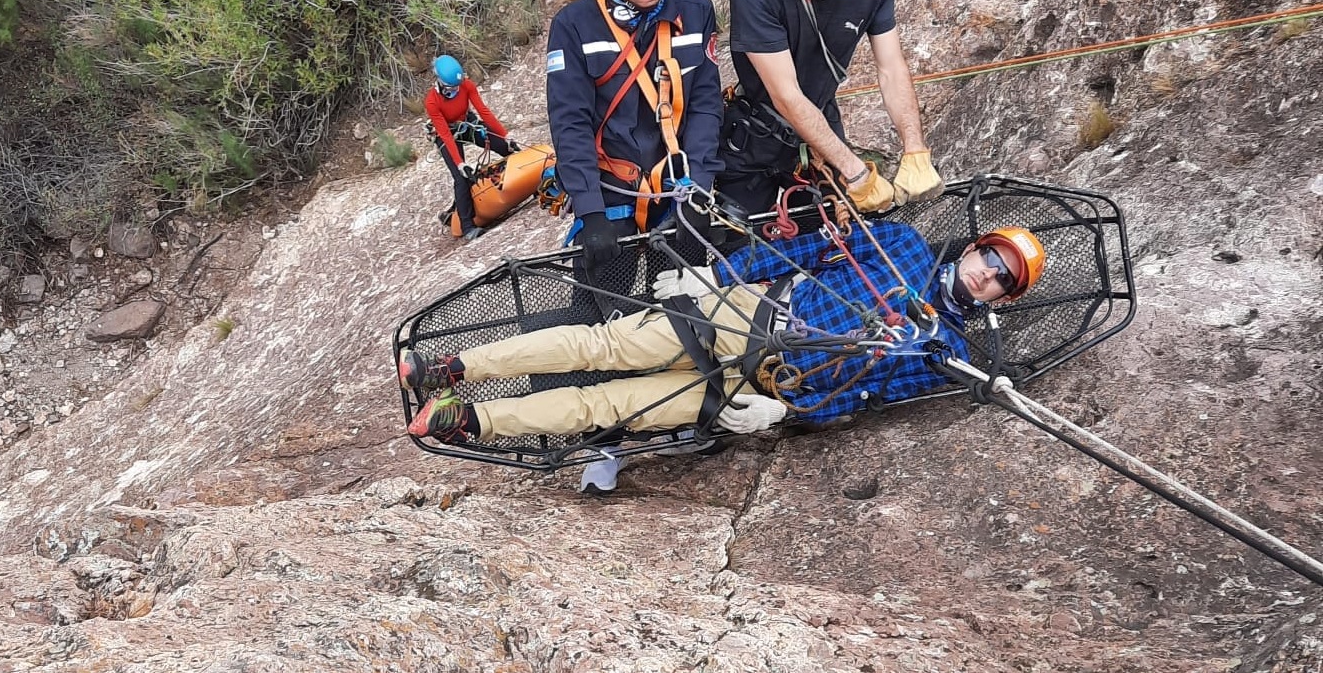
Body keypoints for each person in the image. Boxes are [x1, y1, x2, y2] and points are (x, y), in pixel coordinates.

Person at [399, 221, 1046, 445]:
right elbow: (811, 249)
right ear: (973, 249)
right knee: (601, 346)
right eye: (989, 259)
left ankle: (469, 419)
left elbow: (861, 396)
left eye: (1000, 280)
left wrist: (784, 413)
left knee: (609, 406)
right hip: (745, 315)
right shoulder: (901, 244)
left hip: (760, 385)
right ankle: (455, 367)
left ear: (1002, 297)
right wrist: (714, 274)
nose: (985, 275)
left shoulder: (944, 351)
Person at [717, 0, 943, 219]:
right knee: (738, 248)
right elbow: (786, 96)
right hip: (757, 137)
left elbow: (891, 66)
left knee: (830, 243)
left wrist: (915, 149)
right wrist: (855, 171)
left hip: (822, 120)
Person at [545, 0, 724, 307]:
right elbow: (570, 123)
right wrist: (590, 210)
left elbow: (704, 106)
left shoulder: (694, 13)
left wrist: (699, 186)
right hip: (612, 192)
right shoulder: (574, 28)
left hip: (677, 188)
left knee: (684, 312)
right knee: (596, 323)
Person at [425, 54, 518, 242]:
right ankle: (467, 226)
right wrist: (460, 164)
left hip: (467, 125)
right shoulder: (432, 102)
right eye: (451, 89)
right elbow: (444, 134)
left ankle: (519, 179)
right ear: (440, 82)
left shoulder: (466, 86)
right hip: (447, 134)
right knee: (461, 178)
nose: (455, 91)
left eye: (457, 88)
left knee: (503, 147)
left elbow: (483, 111)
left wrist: (505, 136)